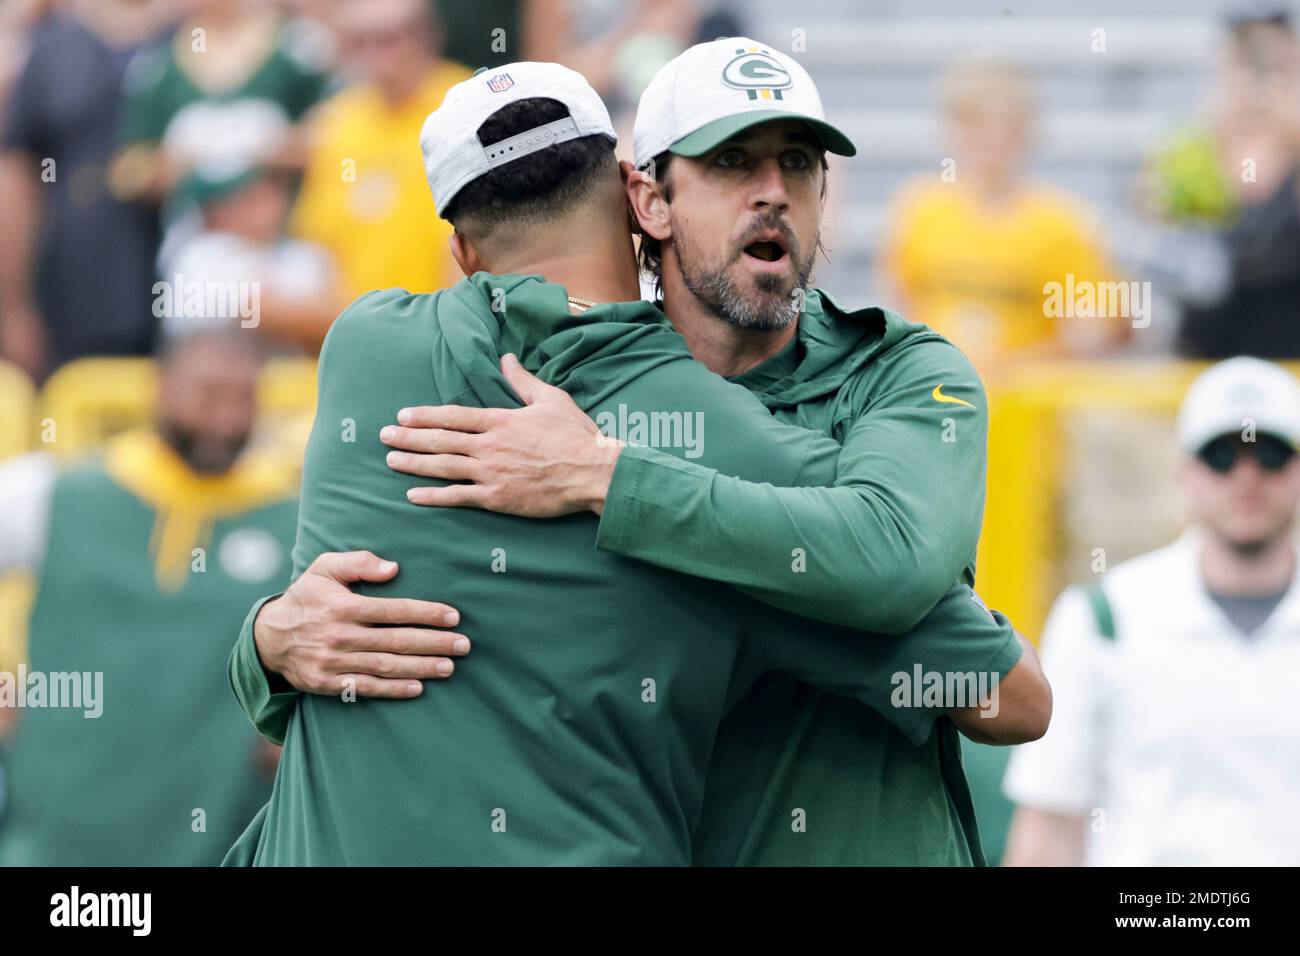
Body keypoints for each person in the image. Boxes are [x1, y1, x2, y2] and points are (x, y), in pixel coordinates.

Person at [232, 42, 1051, 866]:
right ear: (645, 201)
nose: (773, 191)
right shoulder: (554, 392)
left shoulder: (900, 373)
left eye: (800, 163)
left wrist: (607, 477)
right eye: (732, 161)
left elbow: (1000, 686)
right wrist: (268, 644)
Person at [0, 330, 297, 865]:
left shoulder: (292, 521)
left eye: (243, 398)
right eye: (207, 393)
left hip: (217, 826)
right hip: (60, 824)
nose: (226, 418)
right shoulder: (55, 493)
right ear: (161, 389)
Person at [1003, 357, 1300, 866]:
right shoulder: (1103, 618)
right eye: (1221, 455)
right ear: (1186, 471)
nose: (1247, 476)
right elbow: (1050, 825)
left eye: (1271, 454)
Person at [882, 57, 1122, 377]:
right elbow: (902, 306)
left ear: (1026, 131)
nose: (991, 137)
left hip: (1028, 398)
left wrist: (1014, 366)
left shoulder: (1063, 222)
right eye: (976, 123)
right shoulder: (920, 209)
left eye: (1005, 125)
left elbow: (1093, 331)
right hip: (938, 387)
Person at [0, 0, 173, 381]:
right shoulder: (53, 50)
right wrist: (15, 307)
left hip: (178, 289)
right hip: (73, 292)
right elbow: (18, 181)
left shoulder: (186, 38)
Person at [1140, 7, 1300, 359]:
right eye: (1247, 65)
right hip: (1206, 351)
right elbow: (1155, 235)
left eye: (1275, 69)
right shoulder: (1188, 150)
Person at [290, 0, 470, 300]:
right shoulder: (336, 122)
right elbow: (322, 242)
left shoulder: (465, 104)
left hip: (450, 312)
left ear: (426, 37)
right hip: (363, 316)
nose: (373, 55)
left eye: (387, 40)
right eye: (360, 42)